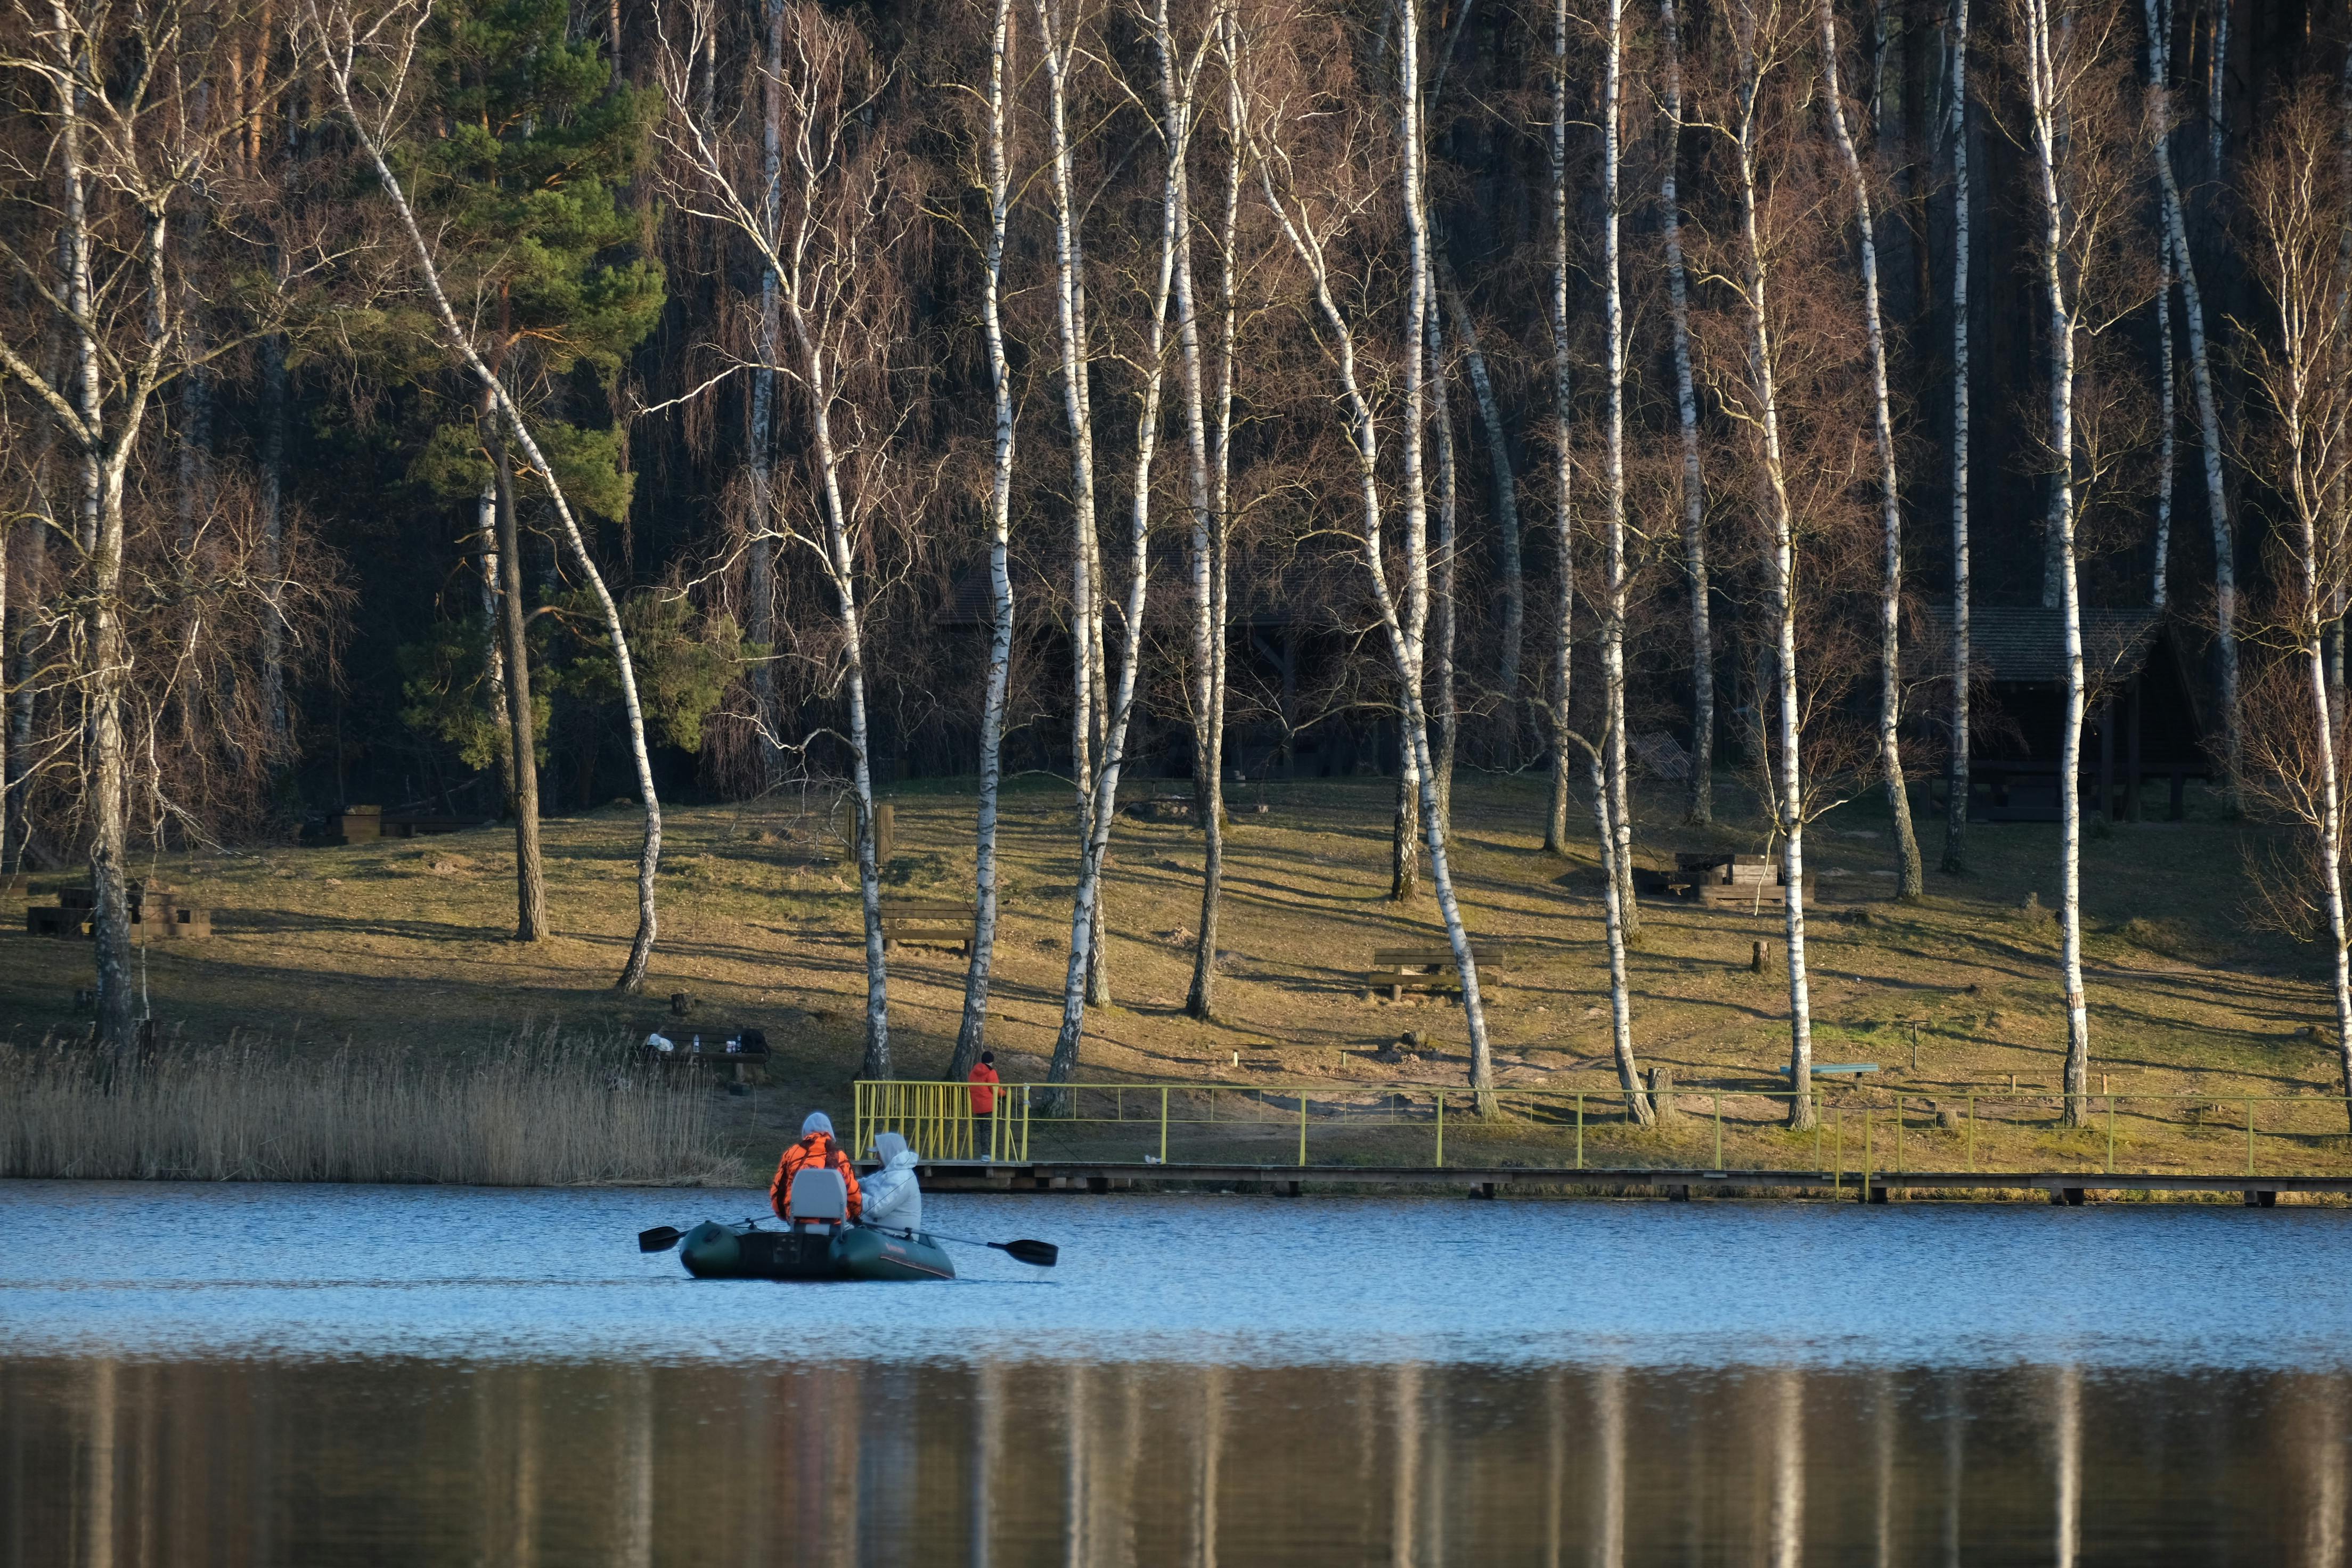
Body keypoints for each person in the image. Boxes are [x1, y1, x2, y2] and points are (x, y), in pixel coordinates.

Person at [770, 1110, 862, 1224]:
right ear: (830, 1133)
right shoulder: (840, 1157)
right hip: (834, 1222)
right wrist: (855, 1215)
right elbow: (853, 1194)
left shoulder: (791, 1154)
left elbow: (778, 1192)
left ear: (805, 1132)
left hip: (799, 1220)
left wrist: (784, 1215)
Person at [860, 1131, 924, 1234]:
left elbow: (876, 1209)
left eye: (878, 1153)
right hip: (876, 1233)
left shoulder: (901, 1177)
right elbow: (863, 1183)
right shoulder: (886, 1172)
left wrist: (854, 1196)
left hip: (896, 1239)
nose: (876, 1157)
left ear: (888, 1152)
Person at [967, 1051, 1000, 1156]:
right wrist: (1005, 1094)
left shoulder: (973, 1072)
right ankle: (987, 1154)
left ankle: (984, 1153)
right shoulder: (991, 1072)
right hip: (989, 1106)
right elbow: (996, 1090)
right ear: (992, 1061)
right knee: (988, 1130)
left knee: (982, 1130)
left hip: (977, 1105)